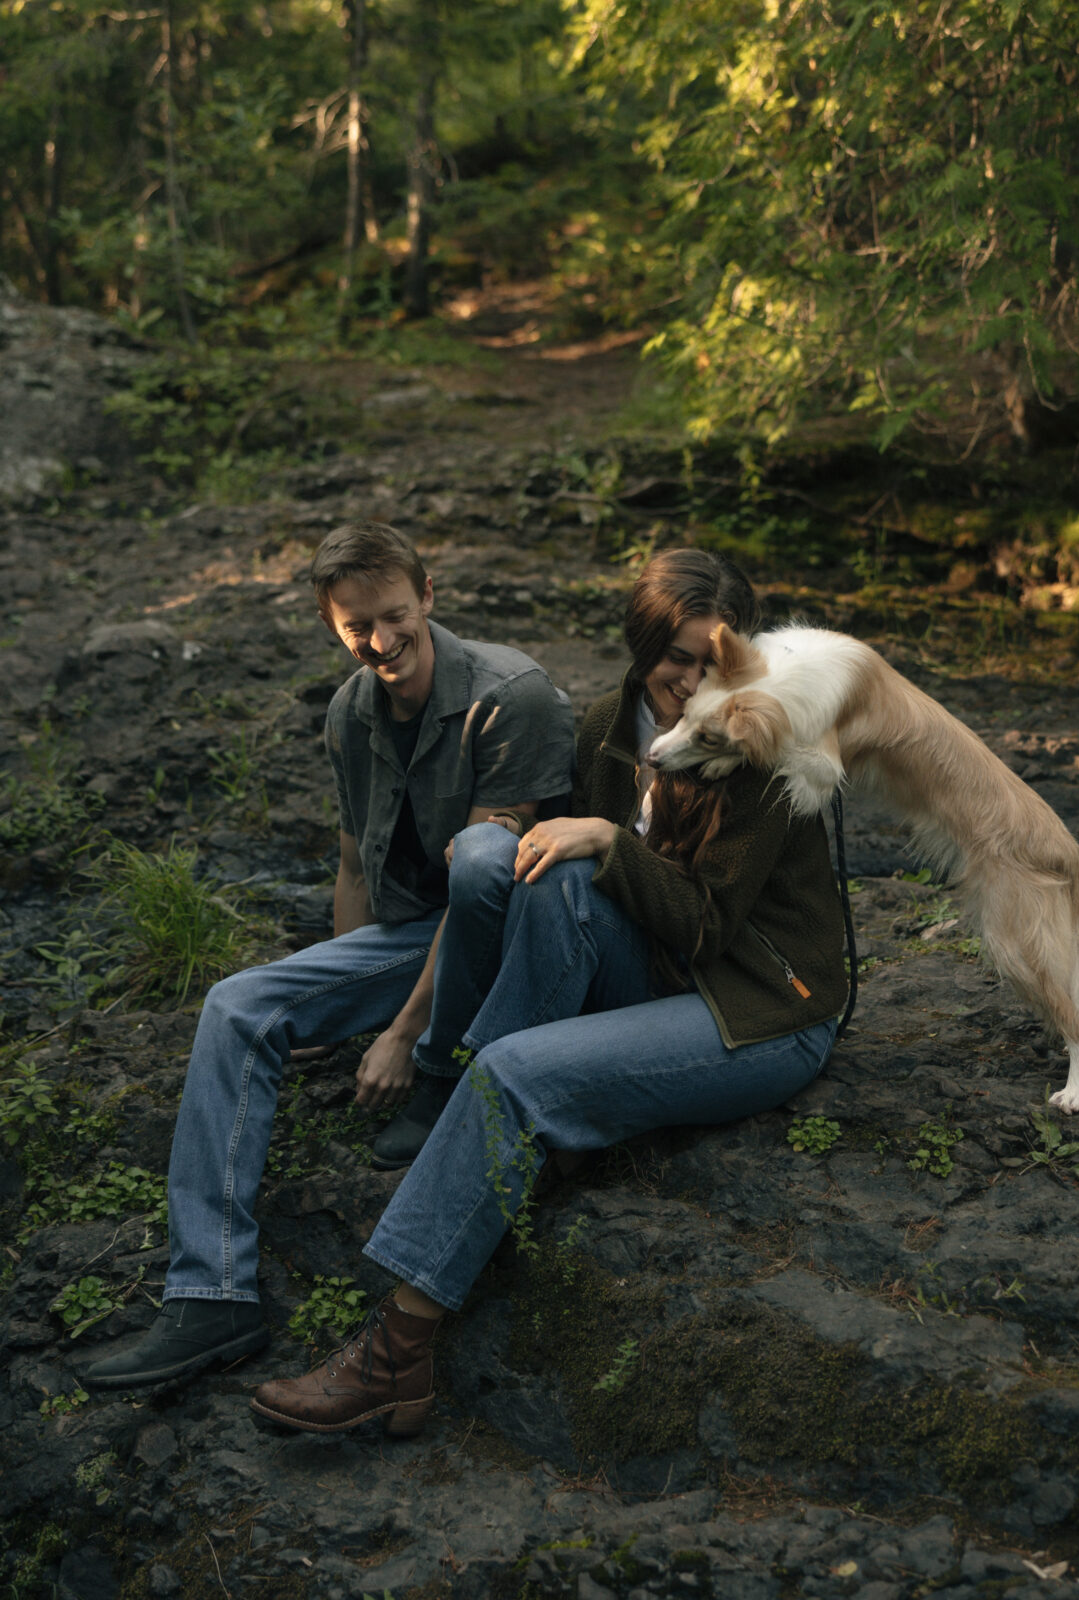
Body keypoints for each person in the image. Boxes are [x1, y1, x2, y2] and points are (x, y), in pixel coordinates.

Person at [242, 548, 849, 1436]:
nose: (693, 681)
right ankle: (500, 1125)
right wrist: (531, 841)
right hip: (652, 977)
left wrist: (608, 837)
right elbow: (568, 892)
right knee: (546, 870)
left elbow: (708, 926)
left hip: (758, 1006)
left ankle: (397, 1354)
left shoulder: (763, 740)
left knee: (516, 1073)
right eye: (676, 657)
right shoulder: (608, 723)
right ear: (642, 644)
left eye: (712, 660)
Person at [84, 521, 573, 1390]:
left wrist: (402, 1033)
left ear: (427, 595)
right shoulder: (351, 712)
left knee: (480, 861)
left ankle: (440, 1067)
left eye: (394, 615)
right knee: (235, 1005)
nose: (380, 641)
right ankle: (211, 1294)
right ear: (328, 621)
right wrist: (345, 997)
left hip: (512, 935)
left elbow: (487, 890)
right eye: (357, 626)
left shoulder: (510, 696)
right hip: (413, 937)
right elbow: (354, 865)